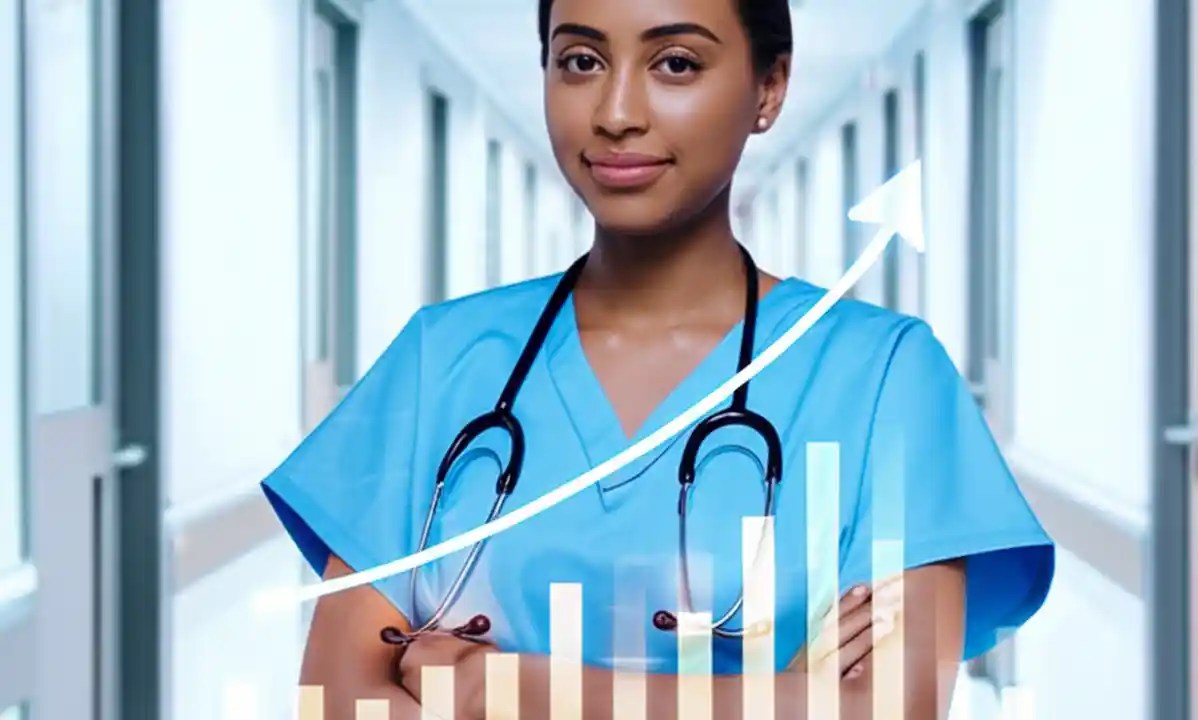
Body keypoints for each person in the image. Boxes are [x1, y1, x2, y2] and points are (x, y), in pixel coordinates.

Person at [260, 0, 1056, 716]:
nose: (615, 112)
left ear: (769, 88)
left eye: (675, 63)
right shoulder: (442, 359)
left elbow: (887, 711)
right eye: (581, 61)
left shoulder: (884, 375)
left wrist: (497, 689)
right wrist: (782, 699)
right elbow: (341, 703)